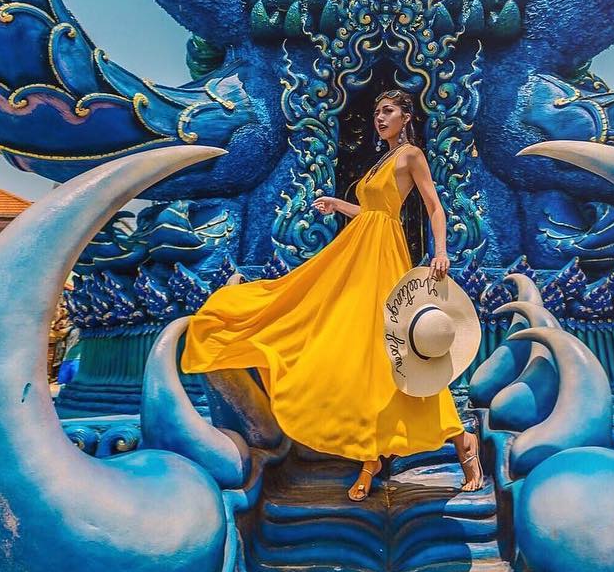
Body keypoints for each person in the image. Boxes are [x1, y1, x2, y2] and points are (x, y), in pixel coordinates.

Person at [181, 89, 484, 500]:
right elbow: (372, 212)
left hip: (382, 253)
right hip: (359, 249)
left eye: (388, 111)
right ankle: (370, 457)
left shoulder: (411, 155)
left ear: (406, 116)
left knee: (389, 353)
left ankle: (461, 441)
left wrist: (442, 251)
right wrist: (339, 205)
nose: (380, 118)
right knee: (356, 350)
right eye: (377, 111)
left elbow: (433, 206)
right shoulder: (381, 160)